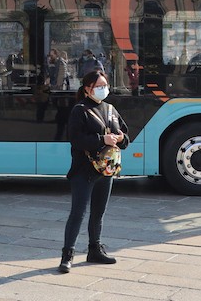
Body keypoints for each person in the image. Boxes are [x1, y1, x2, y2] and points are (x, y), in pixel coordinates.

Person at [59, 70, 129, 274]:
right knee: (78, 213)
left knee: (98, 213)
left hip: (106, 170)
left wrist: (120, 139)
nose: (103, 89)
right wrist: (102, 140)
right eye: (99, 86)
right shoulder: (80, 110)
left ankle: (94, 249)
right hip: (84, 170)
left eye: (105, 85)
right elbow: (76, 140)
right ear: (87, 89)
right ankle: (67, 255)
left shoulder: (110, 109)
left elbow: (126, 137)